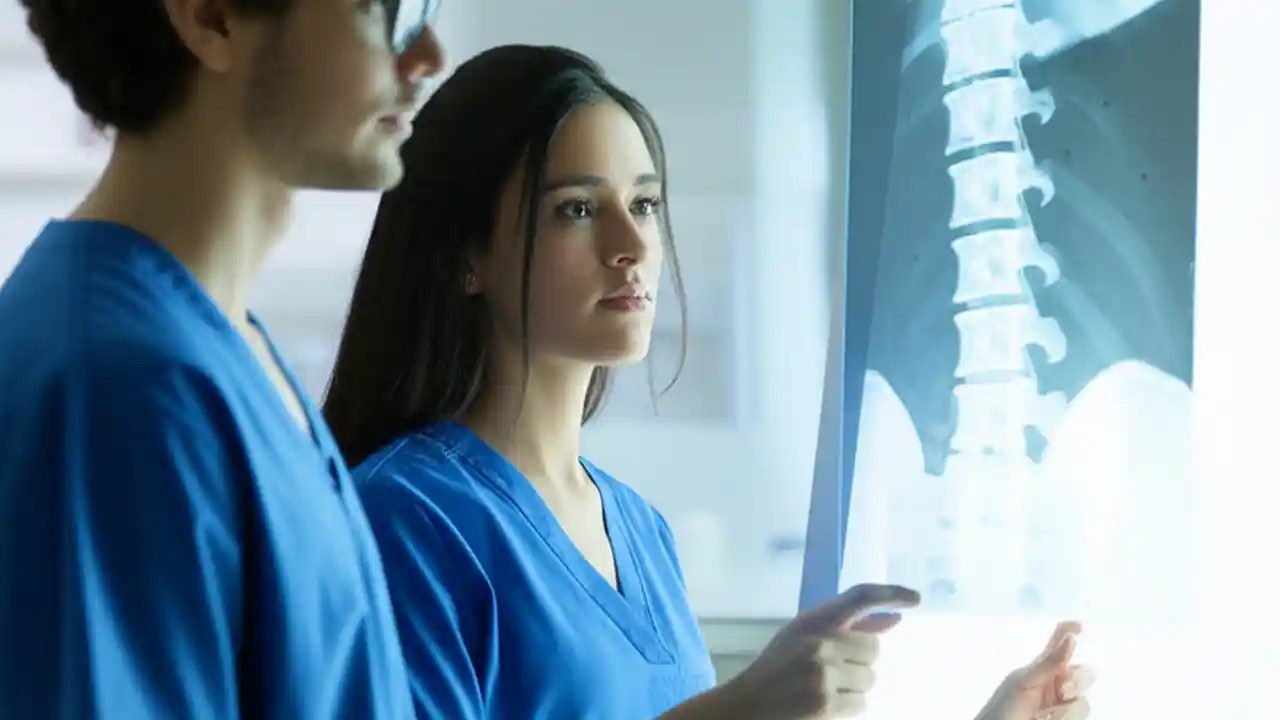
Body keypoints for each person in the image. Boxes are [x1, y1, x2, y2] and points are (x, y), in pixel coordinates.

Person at [323, 44, 1095, 719]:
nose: (632, 245)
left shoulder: (642, 532)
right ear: (467, 256)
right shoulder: (406, 521)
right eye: (578, 209)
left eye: (646, 203)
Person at [0, 0, 444, 717]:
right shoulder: (115, 387)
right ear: (212, 19)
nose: (428, 56)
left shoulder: (220, 346)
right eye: (385, 12)